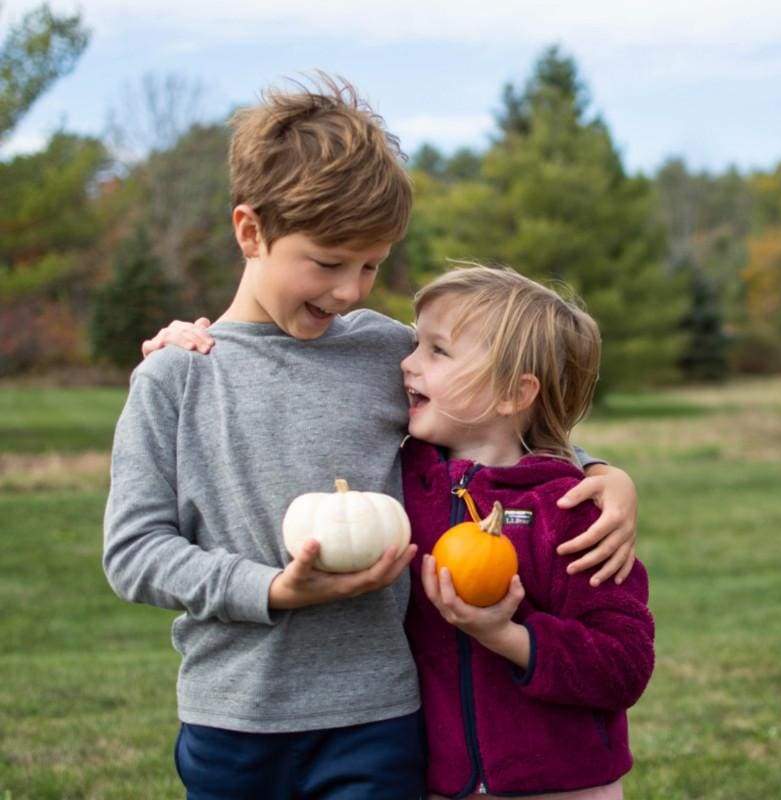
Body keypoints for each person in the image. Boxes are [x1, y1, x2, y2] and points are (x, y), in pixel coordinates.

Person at [106, 75, 637, 800]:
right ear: (250, 231)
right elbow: (134, 553)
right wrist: (270, 589)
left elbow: (490, 414)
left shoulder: (383, 352)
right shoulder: (176, 378)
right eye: (328, 264)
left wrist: (598, 471)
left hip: (381, 715)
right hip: (232, 717)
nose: (353, 290)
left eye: (372, 265)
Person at [401, 265, 655, 799]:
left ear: (514, 394)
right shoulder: (402, 485)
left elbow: (624, 664)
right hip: (442, 784)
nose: (406, 364)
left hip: (565, 785)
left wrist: (509, 638)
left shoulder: (569, 509)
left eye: (436, 351)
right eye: (414, 343)